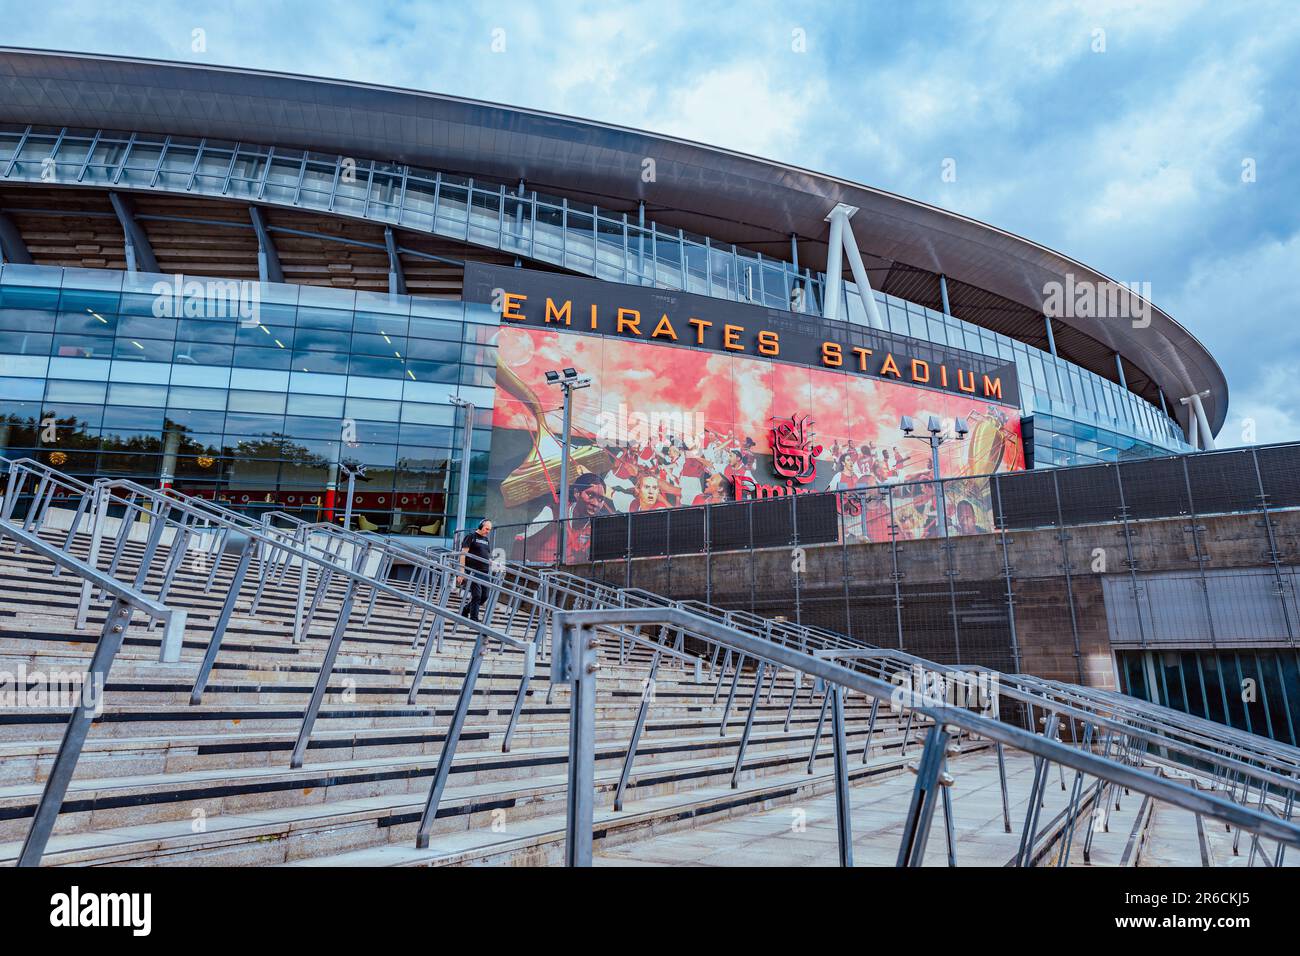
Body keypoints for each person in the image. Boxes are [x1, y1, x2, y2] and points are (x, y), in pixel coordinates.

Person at [457, 518, 494, 623]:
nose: (488, 531)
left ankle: (466, 609)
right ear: (481, 526)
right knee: (477, 595)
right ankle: (474, 618)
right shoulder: (470, 537)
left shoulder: (486, 540)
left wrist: (493, 562)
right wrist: (462, 571)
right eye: (487, 529)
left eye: (489, 529)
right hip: (473, 570)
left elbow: (487, 555)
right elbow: (463, 555)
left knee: (485, 596)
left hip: (484, 571)